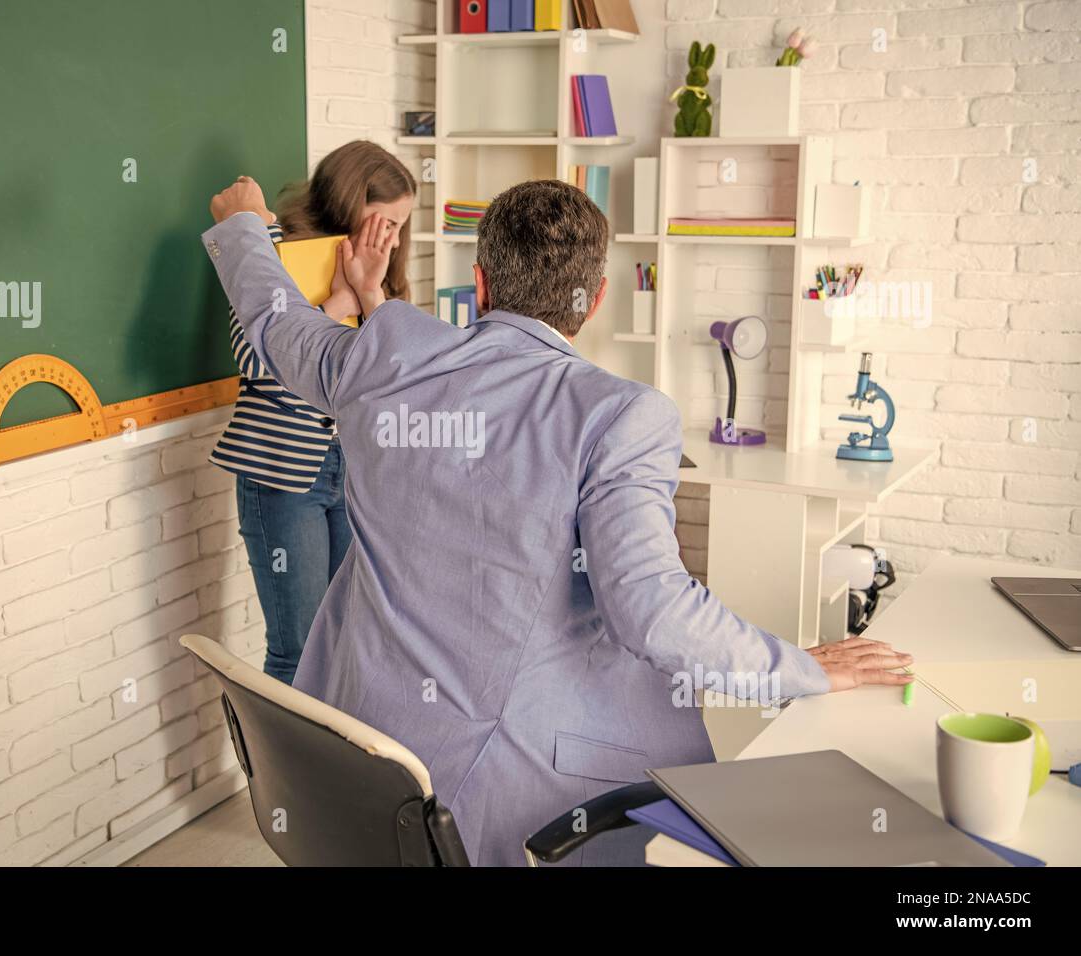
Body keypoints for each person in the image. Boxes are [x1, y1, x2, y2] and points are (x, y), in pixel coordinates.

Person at [202, 177, 914, 866]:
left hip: (362, 765)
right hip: (514, 797)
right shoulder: (622, 415)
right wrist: (794, 669)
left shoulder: (380, 359)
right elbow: (652, 612)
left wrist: (246, 225)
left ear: (479, 285)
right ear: (595, 299)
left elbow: (276, 323)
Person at [208, 142, 415, 684]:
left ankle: (331, 766)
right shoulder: (272, 248)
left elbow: (392, 374)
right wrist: (338, 307)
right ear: (352, 200)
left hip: (348, 473)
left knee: (344, 639)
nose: (393, 236)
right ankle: (283, 772)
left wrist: (370, 294)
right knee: (297, 648)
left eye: (401, 225)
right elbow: (256, 360)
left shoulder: (376, 269)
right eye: (386, 220)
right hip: (283, 474)